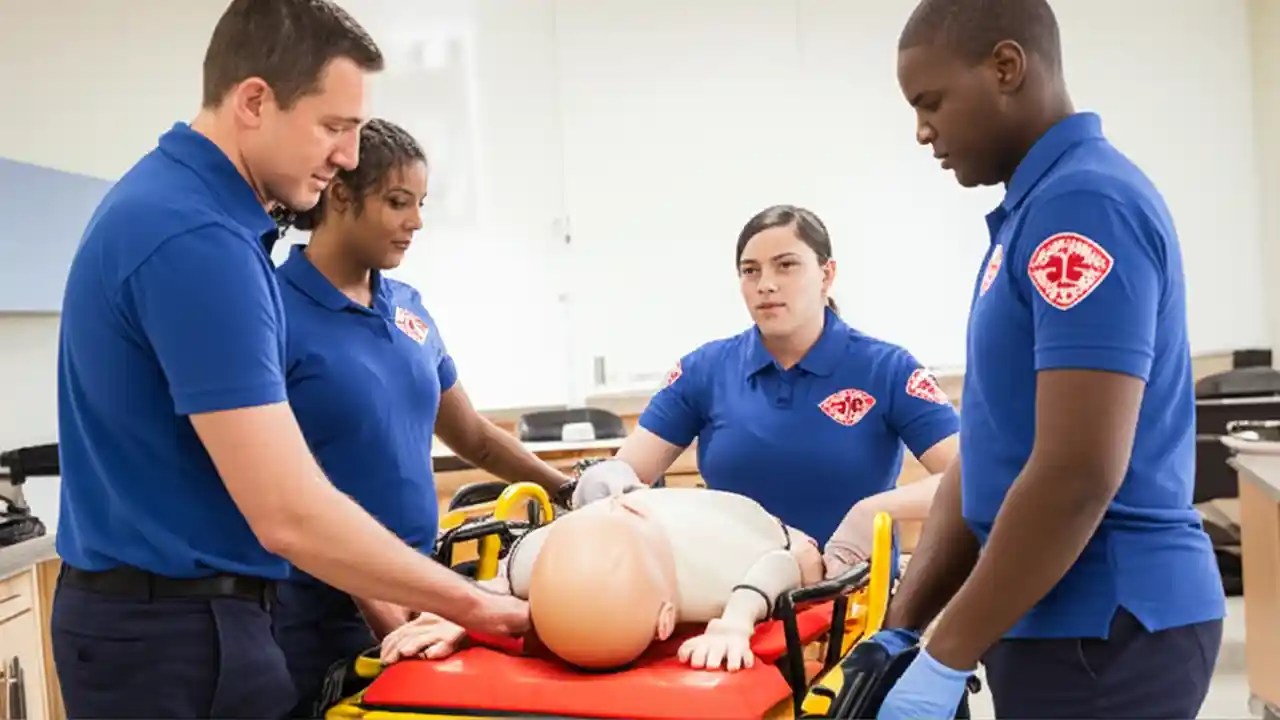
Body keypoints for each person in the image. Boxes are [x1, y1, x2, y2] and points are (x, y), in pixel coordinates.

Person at [51, 3, 526, 718]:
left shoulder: (188, 212)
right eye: (334, 128)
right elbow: (289, 511)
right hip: (173, 636)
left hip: (186, 619)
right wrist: (477, 606)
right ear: (253, 101)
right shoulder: (194, 237)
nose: (346, 156)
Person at [868, 1, 1226, 718]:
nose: (922, 131)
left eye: (931, 102)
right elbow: (991, 452)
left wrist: (945, 655)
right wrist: (900, 627)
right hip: (1050, 617)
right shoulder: (1030, 215)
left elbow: (1076, 472)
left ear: (1006, 67)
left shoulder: (1084, 205)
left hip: (1110, 626)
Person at [270, 117, 573, 716]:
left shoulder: (407, 307)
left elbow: (472, 436)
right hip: (318, 614)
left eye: (421, 203)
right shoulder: (276, 311)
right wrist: (386, 616)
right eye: (397, 202)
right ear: (340, 195)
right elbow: (288, 493)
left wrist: (571, 488)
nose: (417, 221)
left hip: (416, 591)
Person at [583, 204, 960, 577]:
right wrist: (610, 484)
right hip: (725, 601)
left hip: (854, 606)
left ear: (827, 274)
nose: (766, 284)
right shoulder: (704, 370)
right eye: (751, 271)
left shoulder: (888, 369)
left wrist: (876, 510)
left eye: (786, 265)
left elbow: (973, 472)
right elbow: (623, 476)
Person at [378, 475, 829, 673]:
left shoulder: (718, 567)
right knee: (603, 481)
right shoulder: (543, 553)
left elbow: (782, 564)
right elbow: (499, 588)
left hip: (751, 524)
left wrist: (734, 622)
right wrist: (462, 613)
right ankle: (610, 485)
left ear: (666, 618)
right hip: (615, 504)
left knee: (810, 559)